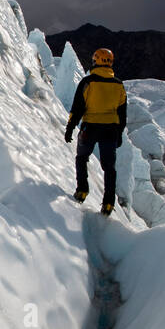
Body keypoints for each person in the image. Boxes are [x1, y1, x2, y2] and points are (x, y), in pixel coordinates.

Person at [64, 47, 127, 214]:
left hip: (90, 127)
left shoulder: (88, 82)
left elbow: (77, 108)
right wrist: (119, 133)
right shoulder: (119, 85)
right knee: (109, 168)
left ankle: (82, 190)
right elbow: (122, 113)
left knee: (82, 158)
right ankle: (108, 203)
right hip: (111, 130)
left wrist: (70, 128)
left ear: (96, 61)